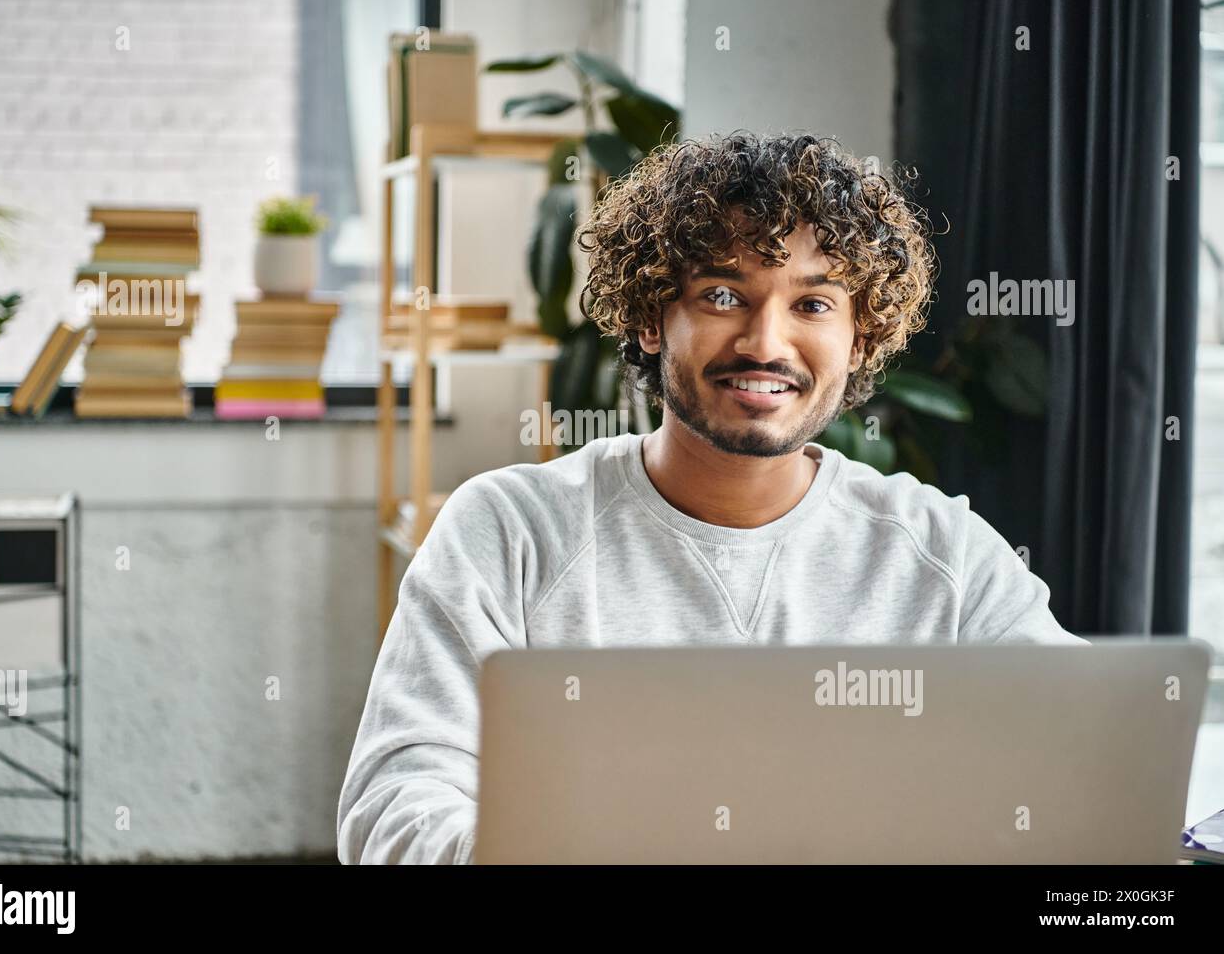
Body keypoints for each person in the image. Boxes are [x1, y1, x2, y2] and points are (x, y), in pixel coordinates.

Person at [337, 132, 1085, 865]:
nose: (766, 342)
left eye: (814, 304)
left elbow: (1082, 763)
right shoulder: (510, 531)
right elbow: (394, 807)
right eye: (723, 294)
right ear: (649, 317)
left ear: (860, 339)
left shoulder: (940, 551)